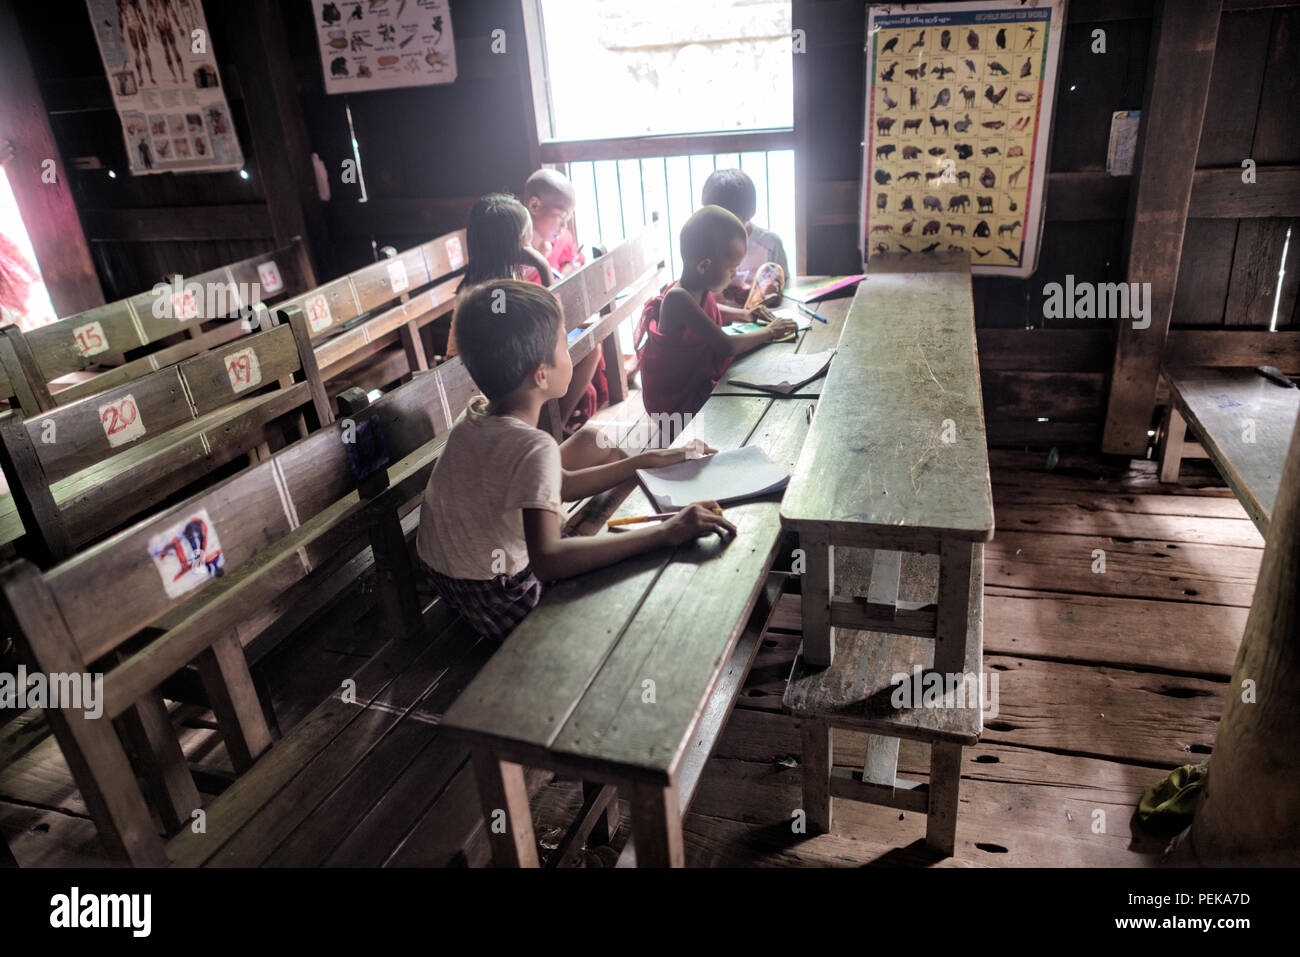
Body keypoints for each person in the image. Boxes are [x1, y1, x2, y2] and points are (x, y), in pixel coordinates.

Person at [415, 279, 735, 641]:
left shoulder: (474, 414)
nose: (570, 351)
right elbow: (549, 559)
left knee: (589, 438)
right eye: (562, 344)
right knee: (633, 586)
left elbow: (554, 484)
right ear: (541, 374)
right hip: (498, 594)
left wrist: (645, 460)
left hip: (444, 572)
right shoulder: (533, 447)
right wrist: (664, 532)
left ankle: (644, 482)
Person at [635, 206, 796, 424]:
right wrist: (770, 332)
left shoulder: (696, 288)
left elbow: (707, 311)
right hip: (674, 403)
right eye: (732, 269)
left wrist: (746, 315)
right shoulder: (677, 298)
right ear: (704, 266)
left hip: (695, 382)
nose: (735, 274)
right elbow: (726, 345)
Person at [522, 168, 605, 430]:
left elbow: (572, 269)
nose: (564, 226)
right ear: (534, 205)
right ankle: (550, 429)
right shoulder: (516, 253)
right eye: (561, 216)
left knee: (592, 343)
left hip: (554, 323)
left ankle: (559, 425)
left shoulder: (562, 238)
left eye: (569, 218)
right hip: (527, 333)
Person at [445, 193, 552, 359]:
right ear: (511, 247)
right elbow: (502, 342)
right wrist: (542, 265)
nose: (530, 249)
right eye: (527, 243)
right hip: (469, 374)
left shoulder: (496, 281)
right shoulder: (495, 292)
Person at [700, 168, 790, 318]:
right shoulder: (703, 247)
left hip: (764, 317)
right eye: (719, 220)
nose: (727, 227)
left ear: (751, 212)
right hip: (720, 321)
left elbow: (783, 286)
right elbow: (700, 296)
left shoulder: (770, 243)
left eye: (733, 219)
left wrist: (760, 293)